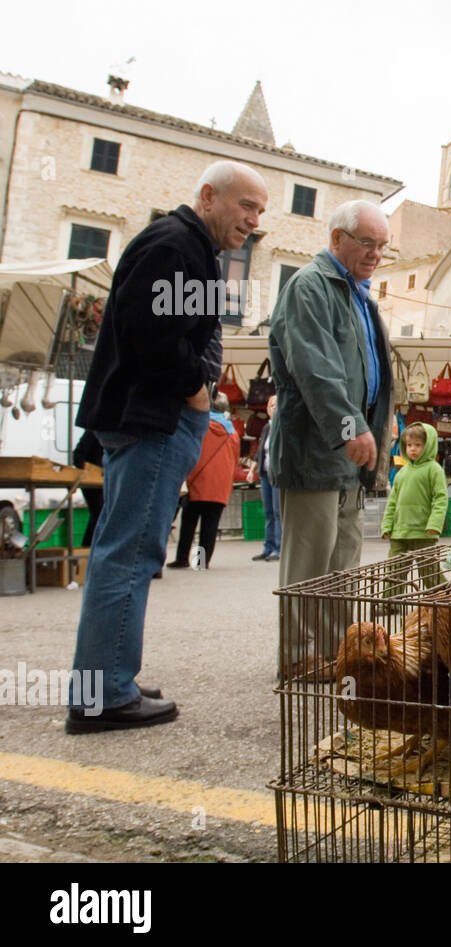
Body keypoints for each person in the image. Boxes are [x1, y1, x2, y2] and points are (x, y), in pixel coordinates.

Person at [66, 160, 269, 733]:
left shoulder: (183, 245)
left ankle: (108, 680)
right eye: (246, 206)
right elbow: (150, 334)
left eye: (260, 212)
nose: (253, 221)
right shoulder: (176, 244)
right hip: (155, 417)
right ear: (208, 196)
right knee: (130, 554)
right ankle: (103, 693)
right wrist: (195, 389)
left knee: (125, 551)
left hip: (151, 416)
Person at [269, 199, 394, 682]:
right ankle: (296, 657)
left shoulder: (360, 296)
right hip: (315, 450)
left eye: (382, 245)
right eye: (367, 242)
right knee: (308, 561)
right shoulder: (310, 288)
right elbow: (314, 367)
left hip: (349, 454)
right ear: (337, 238)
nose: (376, 253)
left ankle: (341, 655)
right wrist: (350, 426)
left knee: (343, 564)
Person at [168, 391, 239, 570]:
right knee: (210, 525)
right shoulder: (232, 432)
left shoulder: (199, 426)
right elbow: (235, 459)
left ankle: (183, 558)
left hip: (197, 480)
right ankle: (201, 562)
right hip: (220, 485)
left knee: (189, 523)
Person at [381, 422, 447, 593]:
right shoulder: (402, 472)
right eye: (409, 445)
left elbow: (440, 499)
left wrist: (434, 524)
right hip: (399, 531)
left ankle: (443, 598)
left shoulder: (434, 470)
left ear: (429, 445)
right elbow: (392, 502)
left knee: (429, 571)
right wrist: (387, 526)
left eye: (418, 445)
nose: (412, 449)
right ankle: (390, 602)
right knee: (395, 570)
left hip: (424, 531)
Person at [250, 394, 280, 561]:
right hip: (265, 473)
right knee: (268, 512)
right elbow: (261, 451)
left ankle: (278, 547)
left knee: (278, 512)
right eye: (271, 405)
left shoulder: (283, 427)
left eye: (276, 404)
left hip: (277, 475)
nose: (273, 408)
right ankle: (268, 547)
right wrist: (251, 470)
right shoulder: (266, 428)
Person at [72, 430, 104, 547]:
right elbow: (77, 456)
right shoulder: (94, 431)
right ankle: (89, 549)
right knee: (100, 515)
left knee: (98, 517)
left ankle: (88, 549)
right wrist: (93, 470)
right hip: (92, 482)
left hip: (103, 482)